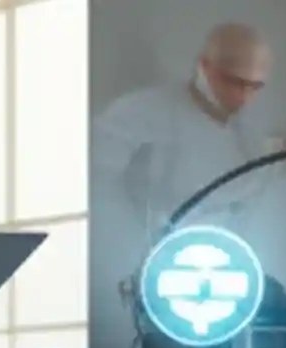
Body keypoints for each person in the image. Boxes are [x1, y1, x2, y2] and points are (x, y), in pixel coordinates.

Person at [91, 21, 276, 240]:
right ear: (204, 66)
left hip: (222, 258)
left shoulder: (248, 137)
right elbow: (96, 183)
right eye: (234, 82)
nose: (244, 97)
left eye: (255, 86)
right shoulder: (139, 113)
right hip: (150, 255)